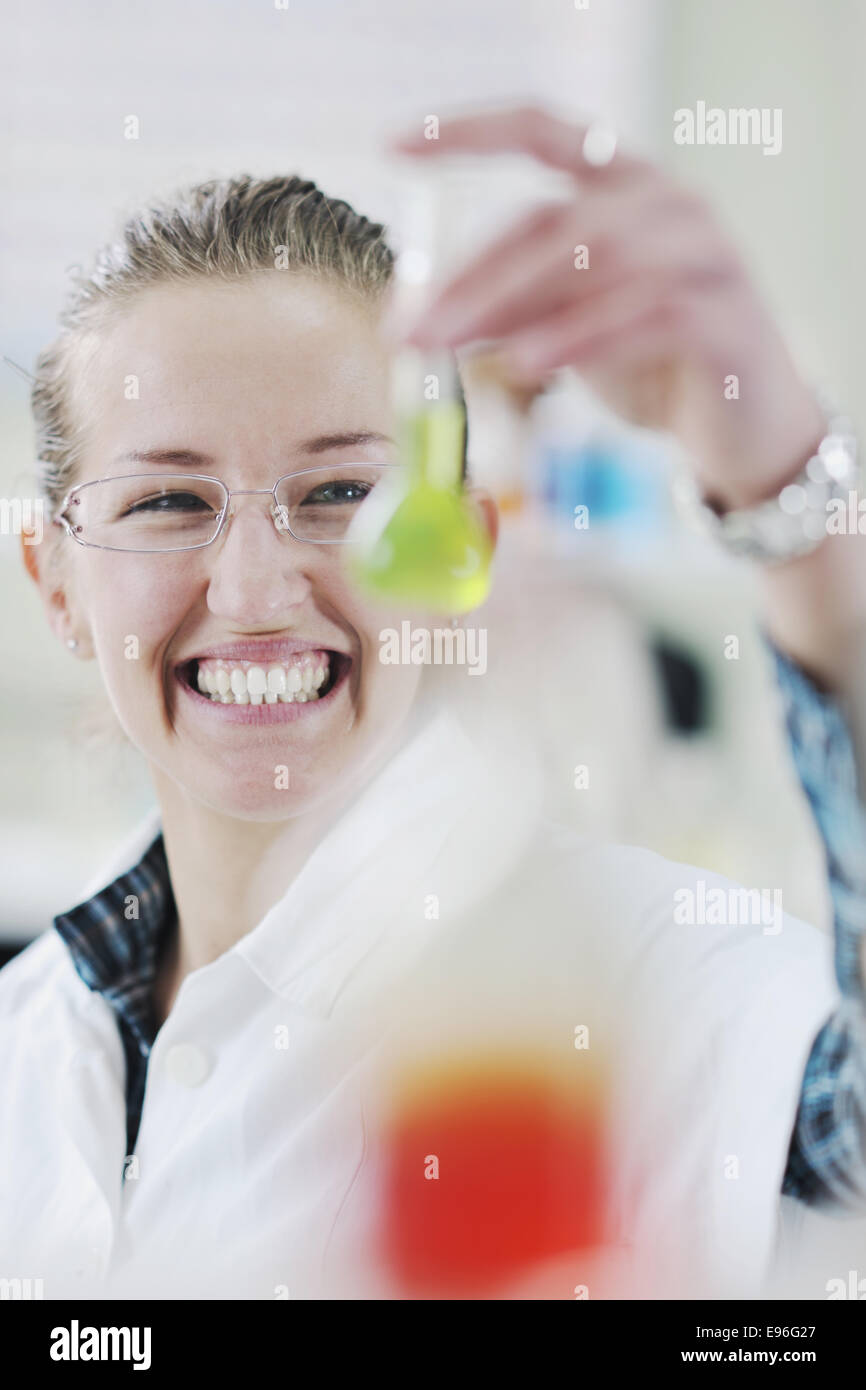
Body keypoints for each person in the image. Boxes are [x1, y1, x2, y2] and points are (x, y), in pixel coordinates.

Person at [3, 104, 866, 1300]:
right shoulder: (21, 1046)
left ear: (455, 547)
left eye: (342, 490)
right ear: (55, 580)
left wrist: (789, 498)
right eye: (168, 502)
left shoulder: (672, 992)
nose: (256, 590)